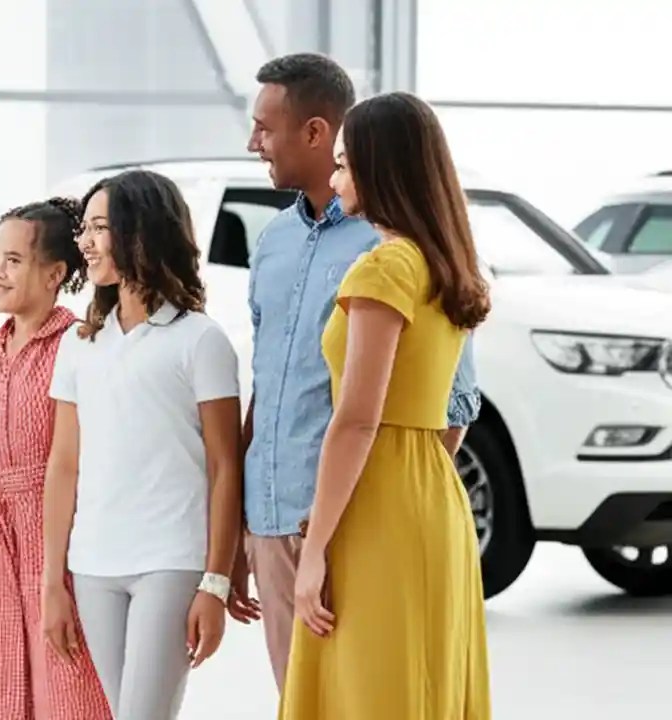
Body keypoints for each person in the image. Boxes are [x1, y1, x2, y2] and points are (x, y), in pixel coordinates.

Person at [231, 53, 482, 691]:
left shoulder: (382, 260)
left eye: (346, 158)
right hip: (299, 508)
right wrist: (239, 523)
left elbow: (436, 406)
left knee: (350, 697)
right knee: (407, 689)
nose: (253, 141)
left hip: (344, 514)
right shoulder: (434, 256)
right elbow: (268, 381)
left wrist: (349, 513)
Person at [41, 170, 246, 720]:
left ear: (141, 232)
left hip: (172, 560)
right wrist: (51, 583)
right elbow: (63, 467)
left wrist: (216, 582)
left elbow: (227, 469)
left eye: (99, 228)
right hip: (93, 565)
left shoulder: (201, 341)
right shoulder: (79, 344)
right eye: (84, 228)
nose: (84, 242)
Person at [0, 198, 111, 719]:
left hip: (61, 531)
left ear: (55, 273)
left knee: (67, 685)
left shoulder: (81, 344)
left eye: (13, 260)